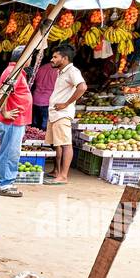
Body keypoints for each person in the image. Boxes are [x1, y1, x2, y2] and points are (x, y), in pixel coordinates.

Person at [0, 47, 33, 198]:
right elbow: (2, 93)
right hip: (12, 121)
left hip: (15, 120)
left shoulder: (15, 72)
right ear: (24, 58)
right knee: (10, 152)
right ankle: (5, 184)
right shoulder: (12, 72)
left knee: (6, 151)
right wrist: (4, 112)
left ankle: (0, 182)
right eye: (30, 57)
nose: (31, 60)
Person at [44, 45, 86, 184]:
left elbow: (82, 87)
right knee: (58, 144)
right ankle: (57, 171)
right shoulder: (62, 72)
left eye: (55, 57)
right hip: (55, 113)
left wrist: (66, 103)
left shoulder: (73, 71)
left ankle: (63, 176)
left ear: (65, 58)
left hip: (62, 114)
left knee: (66, 144)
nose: (52, 59)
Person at [31, 57, 58, 131]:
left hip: (36, 99)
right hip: (48, 100)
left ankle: (34, 140)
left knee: (34, 125)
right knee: (45, 125)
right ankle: (43, 141)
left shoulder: (41, 68)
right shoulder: (57, 71)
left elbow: (34, 81)